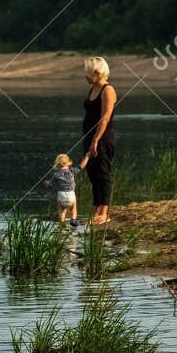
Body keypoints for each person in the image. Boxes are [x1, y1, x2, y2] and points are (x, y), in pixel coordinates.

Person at [78, 56, 118, 225]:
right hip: (89, 138)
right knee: (93, 175)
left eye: (87, 72)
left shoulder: (107, 90)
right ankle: (96, 209)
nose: (85, 75)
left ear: (96, 72)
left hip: (102, 138)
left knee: (103, 174)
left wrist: (96, 141)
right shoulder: (93, 88)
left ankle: (104, 212)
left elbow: (105, 119)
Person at [44, 154, 79, 226]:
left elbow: (50, 184)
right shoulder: (72, 171)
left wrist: (46, 183)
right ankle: (73, 220)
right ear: (68, 162)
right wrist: (87, 157)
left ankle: (62, 224)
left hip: (61, 195)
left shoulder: (56, 174)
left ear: (57, 164)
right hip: (71, 194)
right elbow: (81, 167)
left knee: (62, 211)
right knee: (73, 209)